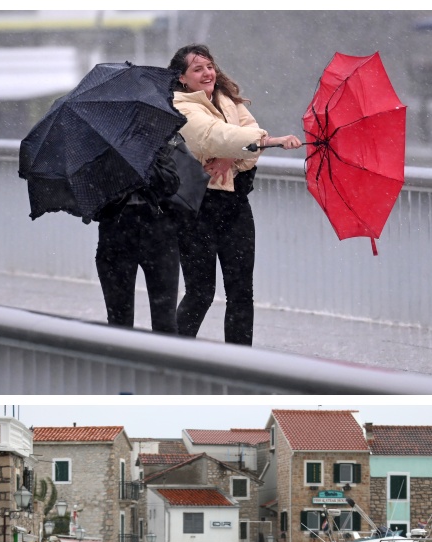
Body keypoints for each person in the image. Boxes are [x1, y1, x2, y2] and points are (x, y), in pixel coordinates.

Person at [168, 44, 302, 345]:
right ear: (182, 78)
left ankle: (240, 362)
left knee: (241, 291)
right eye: (198, 68)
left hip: (234, 204)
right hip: (197, 208)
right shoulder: (179, 105)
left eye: (209, 66)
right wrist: (263, 142)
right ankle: (170, 353)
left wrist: (231, 157)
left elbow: (248, 138)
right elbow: (212, 135)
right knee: (200, 291)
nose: (207, 73)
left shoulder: (227, 99)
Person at [93, 138, 182, 333]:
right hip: (116, 234)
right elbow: (91, 200)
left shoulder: (158, 138)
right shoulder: (97, 146)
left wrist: (141, 160)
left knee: (165, 323)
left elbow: (171, 183)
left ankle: (163, 363)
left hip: (159, 232)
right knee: (119, 322)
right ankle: (120, 364)